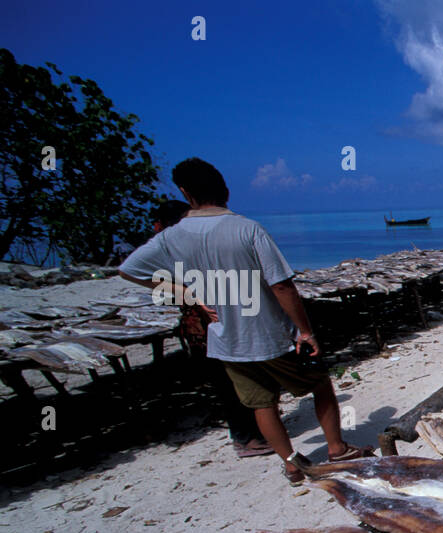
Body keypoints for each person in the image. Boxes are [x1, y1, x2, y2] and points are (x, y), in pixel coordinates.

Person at [119, 158, 372, 484]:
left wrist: (188, 294)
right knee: (320, 385)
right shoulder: (247, 229)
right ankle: (336, 449)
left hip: (226, 339)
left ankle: (292, 465)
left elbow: (129, 270)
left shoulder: (171, 237)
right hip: (268, 332)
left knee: (261, 403)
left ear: (185, 193)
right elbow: (281, 286)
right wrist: (305, 330)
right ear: (224, 189)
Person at [149, 199, 273, 458]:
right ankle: (245, 437)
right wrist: (196, 298)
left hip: (216, 324)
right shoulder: (170, 249)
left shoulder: (177, 247)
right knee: (229, 382)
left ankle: (254, 432)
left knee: (240, 378)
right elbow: (157, 286)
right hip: (207, 328)